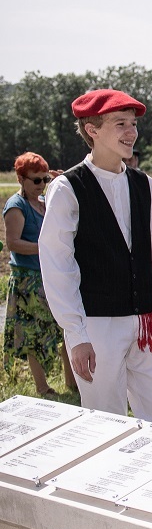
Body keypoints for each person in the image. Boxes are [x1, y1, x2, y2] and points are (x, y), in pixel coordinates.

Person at [42, 89, 152, 425]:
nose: (131, 132)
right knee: (104, 422)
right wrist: (76, 335)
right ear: (92, 130)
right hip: (97, 323)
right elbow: (58, 264)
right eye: (120, 123)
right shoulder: (68, 188)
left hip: (147, 321)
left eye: (132, 124)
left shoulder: (144, 184)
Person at [3, 152, 73, 397]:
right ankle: (43, 387)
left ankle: (71, 383)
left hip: (50, 274)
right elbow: (13, 243)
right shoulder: (16, 205)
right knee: (33, 335)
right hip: (28, 280)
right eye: (36, 181)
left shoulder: (44, 201)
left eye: (45, 179)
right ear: (21, 179)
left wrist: (62, 183)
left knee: (65, 327)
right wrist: (47, 247)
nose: (41, 185)